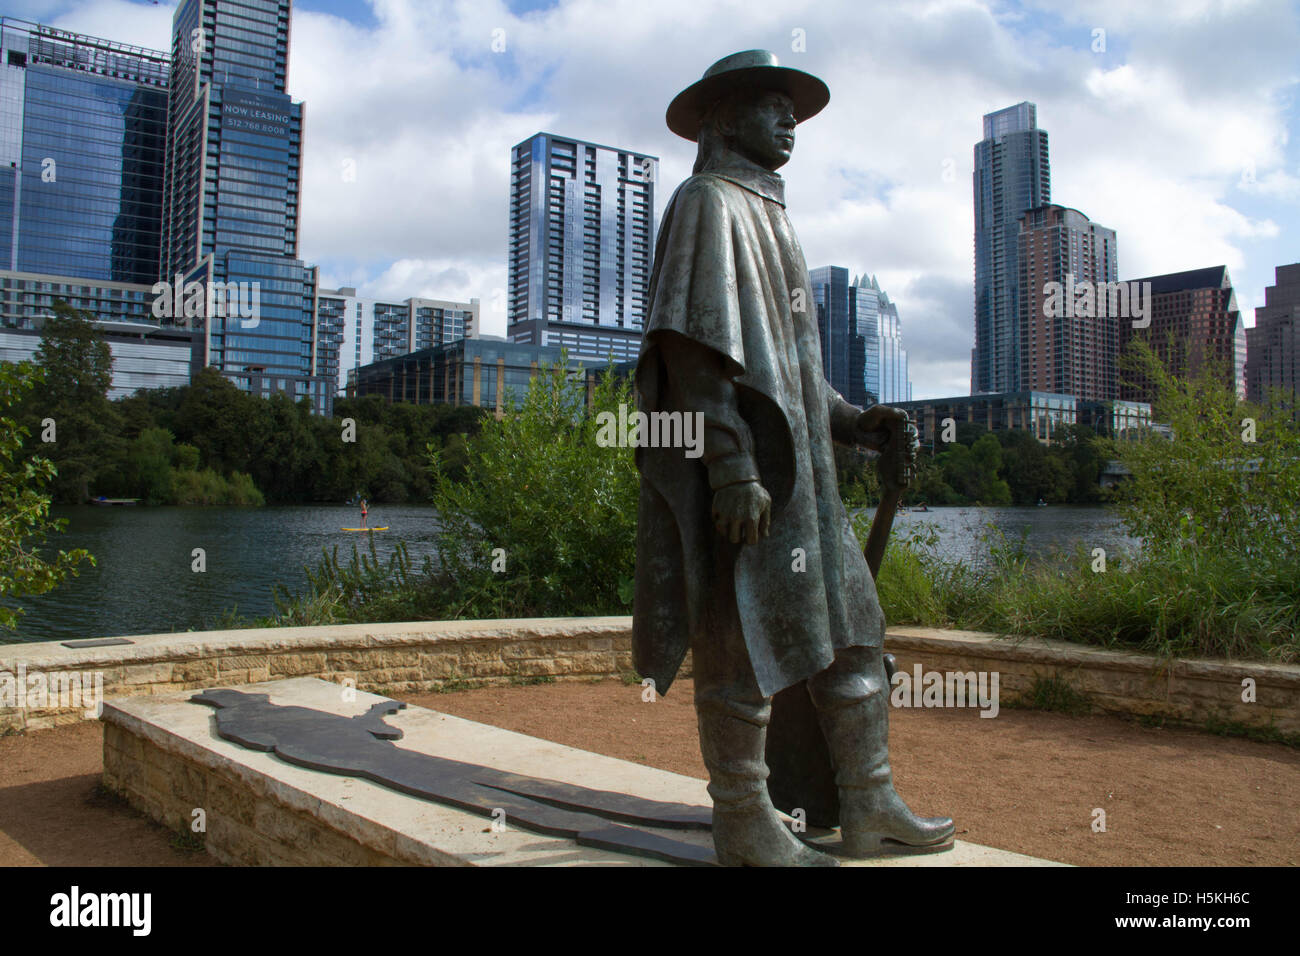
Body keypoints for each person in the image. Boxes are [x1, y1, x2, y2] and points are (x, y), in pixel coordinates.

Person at [633, 50, 954, 866]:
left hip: (806, 485)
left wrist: (853, 423)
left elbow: (794, 368)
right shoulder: (706, 202)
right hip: (754, 483)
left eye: (793, 108)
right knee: (737, 640)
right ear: (721, 115)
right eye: (770, 105)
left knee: (854, 634)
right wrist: (732, 466)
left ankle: (868, 800)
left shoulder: (772, 214)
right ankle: (743, 818)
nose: (789, 120)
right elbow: (693, 354)